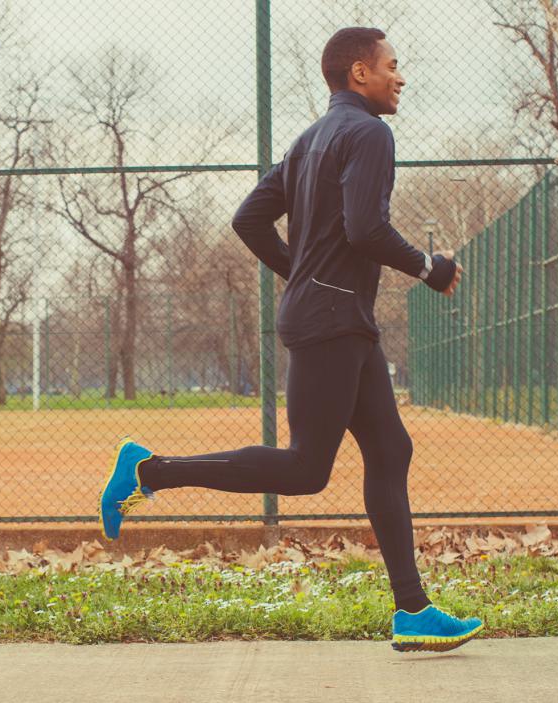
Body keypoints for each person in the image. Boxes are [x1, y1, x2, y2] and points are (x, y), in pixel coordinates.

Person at [99, 27, 483, 653]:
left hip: (337, 317)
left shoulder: (309, 142)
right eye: (392, 66)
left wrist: (302, 273)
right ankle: (148, 471)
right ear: (359, 73)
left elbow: (249, 219)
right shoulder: (368, 133)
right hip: (332, 320)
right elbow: (366, 229)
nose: (400, 77)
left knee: (390, 449)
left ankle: (413, 610)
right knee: (307, 468)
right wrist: (429, 268)